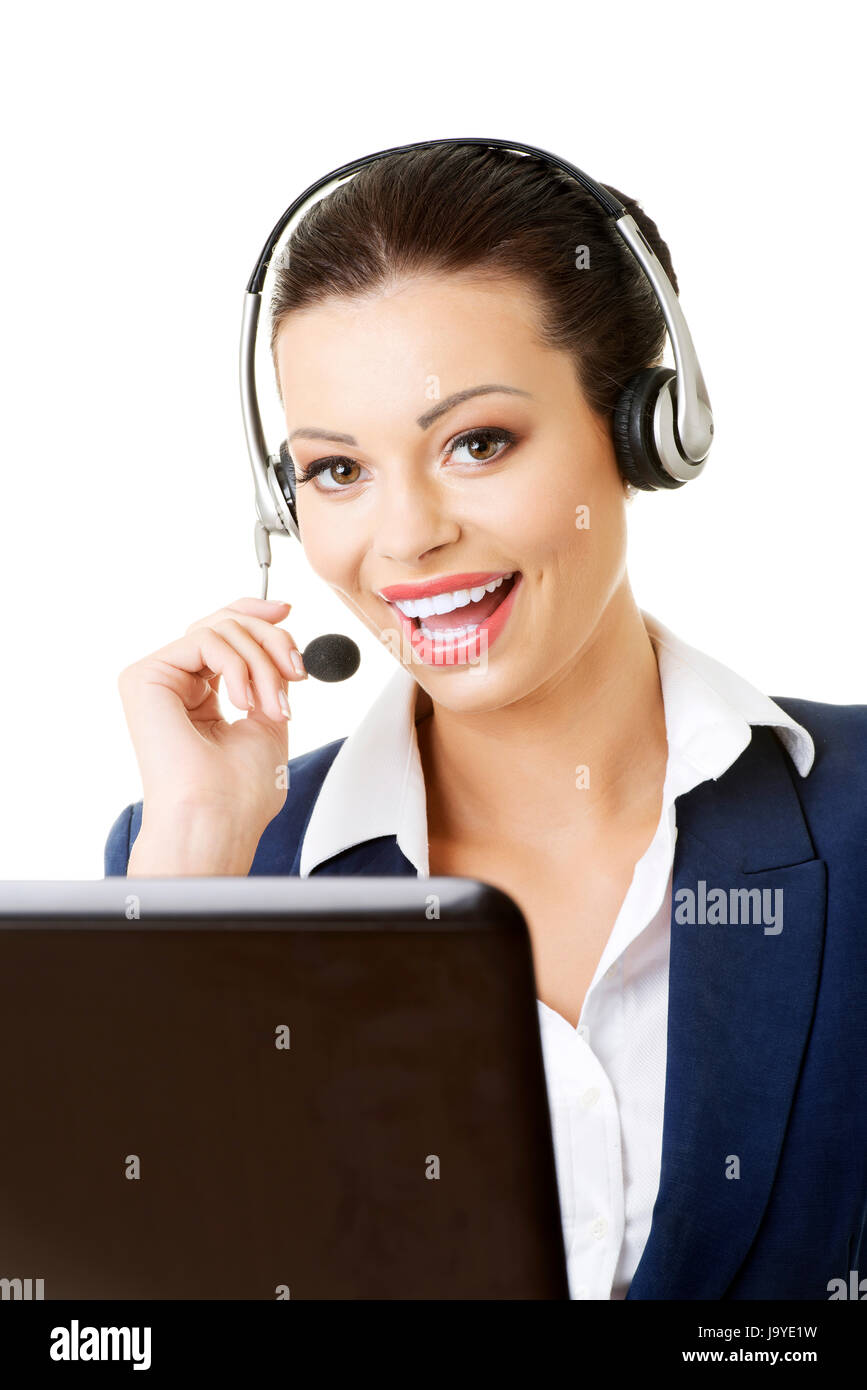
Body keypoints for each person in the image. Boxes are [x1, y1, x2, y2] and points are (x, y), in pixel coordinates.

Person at [105, 143, 867, 1300]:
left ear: (645, 430)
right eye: (337, 470)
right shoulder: (208, 870)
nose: (405, 537)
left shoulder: (855, 820)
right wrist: (196, 882)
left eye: (476, 443)